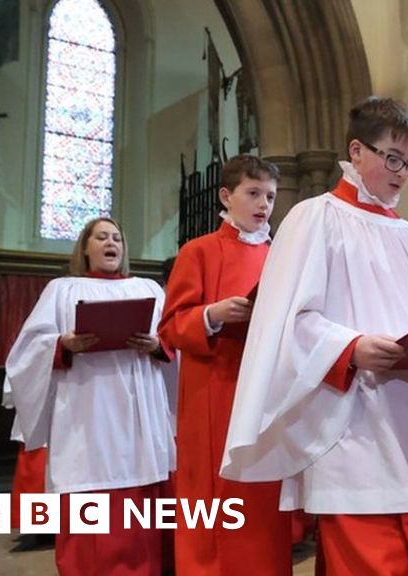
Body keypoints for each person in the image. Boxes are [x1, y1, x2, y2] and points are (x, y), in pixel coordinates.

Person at [220, 97, 408, 576]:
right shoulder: (314, 217)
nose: (402, 173)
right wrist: (351, 347)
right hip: (351, 422)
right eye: (393, 158)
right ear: (356, 151)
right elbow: (289, 322)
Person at [5, 217, 175, 576]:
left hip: (140, 414)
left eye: (117, 238)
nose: (111, 243)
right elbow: (26, 351)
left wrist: (157, 345)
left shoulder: (148, 289)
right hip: (85, 412)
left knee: (142, 504)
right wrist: (62, 344)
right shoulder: (61, 290)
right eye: (101, 237)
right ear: (85, 247)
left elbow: (175, 340)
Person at [158, 155, 294, 575]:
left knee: (262, 499)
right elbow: (171, 327)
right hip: (215, 391)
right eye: (253, 193)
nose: (263, 204)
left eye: (269, 196)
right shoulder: (198, 251)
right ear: (225, 196)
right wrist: (212, 315)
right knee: (214, 497)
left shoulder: (280, 257)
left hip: (267, 393)